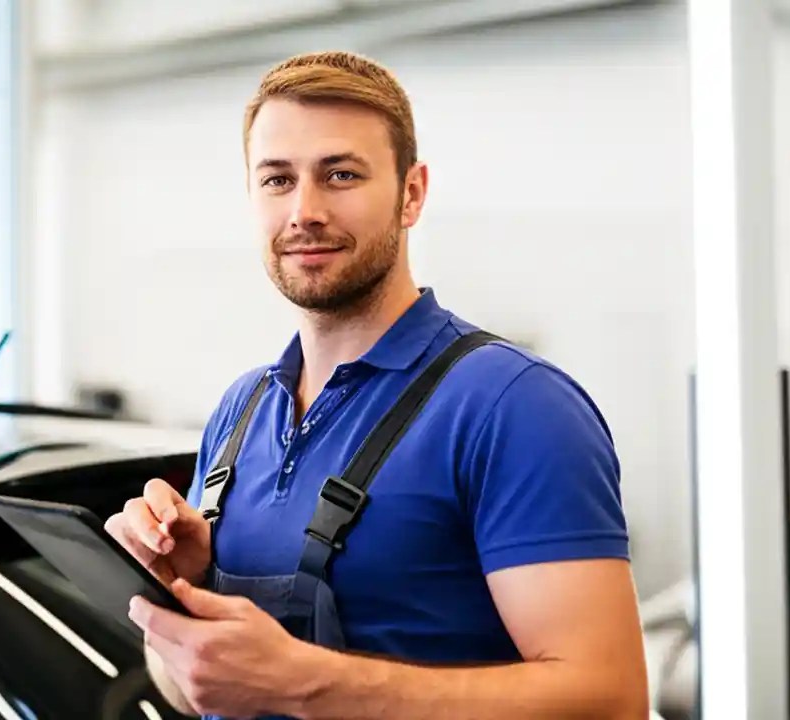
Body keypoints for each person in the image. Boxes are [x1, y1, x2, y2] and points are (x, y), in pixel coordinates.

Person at [105, 51, 649, 720]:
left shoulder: (513, 406)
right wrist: (175, 590)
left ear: (412, 193)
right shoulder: (241, 411)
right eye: (277, 180)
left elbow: (609, 701)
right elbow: (190, 692)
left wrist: (305, 682)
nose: (304, 210)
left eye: (340, 175)